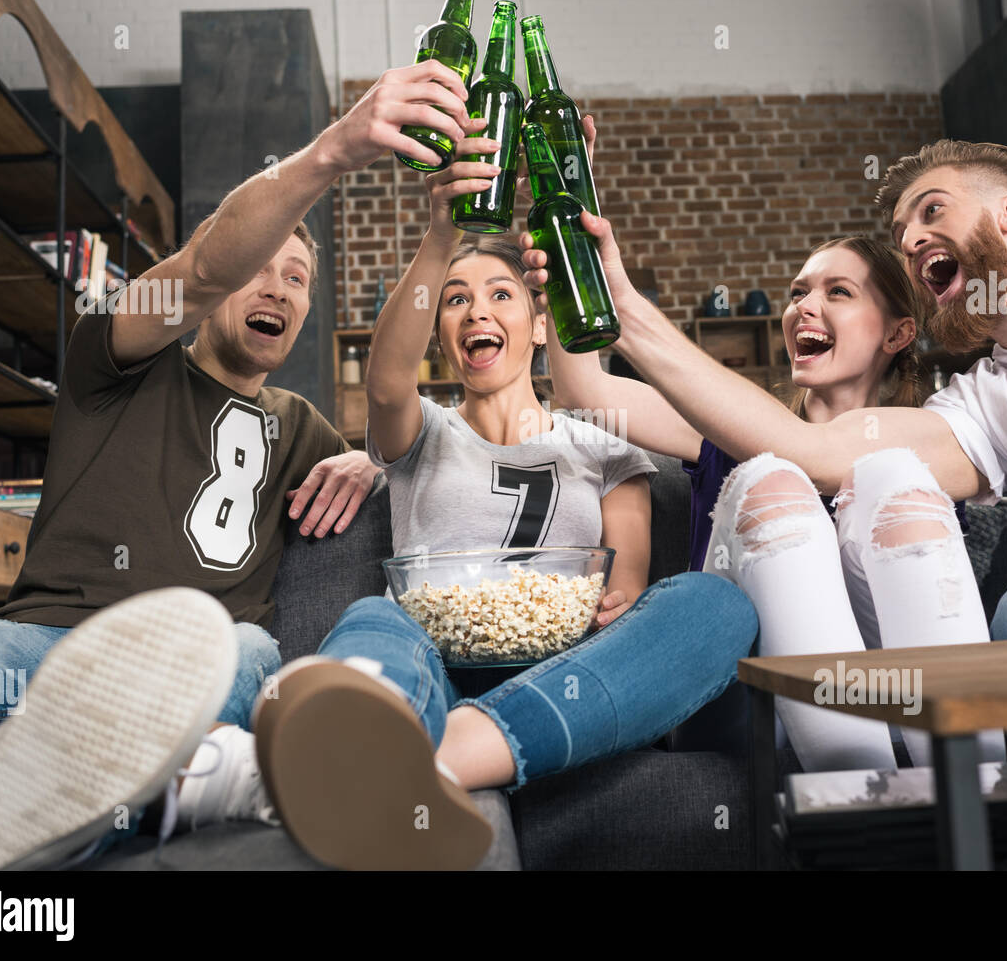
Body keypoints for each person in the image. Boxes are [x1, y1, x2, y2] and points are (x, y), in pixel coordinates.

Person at [538, 136, 1007, 814]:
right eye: (901, 234)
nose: (914, 238)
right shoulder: (981, 412)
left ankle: (992, 803)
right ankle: (910, 814)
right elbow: (805, 449)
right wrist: (601, 283)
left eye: (931, 211)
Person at [0, 57, 477, 867]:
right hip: (42, 653)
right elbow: (197, 272)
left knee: (248, 652)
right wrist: (333, 151)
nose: (279, 291)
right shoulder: (112, 357)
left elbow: (416, 435)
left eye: (298, 280)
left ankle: (47, 815)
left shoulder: (301, 430)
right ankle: (101, 795)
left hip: (203, 675)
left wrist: (373, 464)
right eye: (263, 266)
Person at [245, 125, 759, 870]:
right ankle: (348, 733)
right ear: (441, 333)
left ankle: (436, 758)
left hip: (570, 676)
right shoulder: (422, 433)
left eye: (499, 294)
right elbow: (388, 382)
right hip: (440, 667)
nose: (475, 310)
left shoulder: (607, 443)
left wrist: (570, 196)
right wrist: (441, 233)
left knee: (718, 606)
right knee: (375, 616)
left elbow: (623, 596)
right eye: (453, 300)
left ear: (540, 319)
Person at [530, 162, 1003, 772]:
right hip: (742, 699)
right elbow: (586, 391)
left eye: (838, 292)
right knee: (771, 474)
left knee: (892, 474)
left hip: (898, 693)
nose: (805, 307)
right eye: (799, 292)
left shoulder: (930, 451)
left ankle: (976, 787)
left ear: (898, 333)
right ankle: (859, 796)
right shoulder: (727, 429)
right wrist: (571, 238)